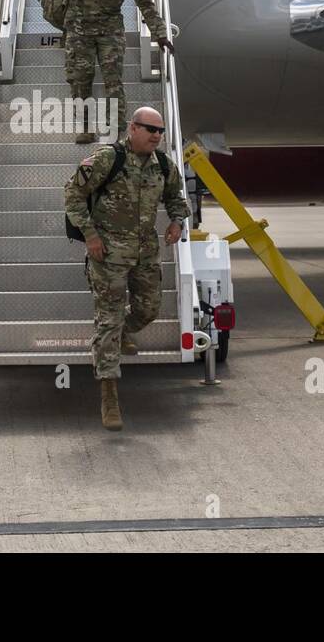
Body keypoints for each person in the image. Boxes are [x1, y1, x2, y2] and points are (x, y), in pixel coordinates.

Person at [64, 107, 190, 431]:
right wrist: (90, 235)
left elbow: (177, 197)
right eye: (150, 129)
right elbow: (73, 195)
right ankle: (109, 397)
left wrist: (176, 222)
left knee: (149, 310)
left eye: (160, 131)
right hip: (108, 254)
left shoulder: (163, 164)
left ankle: (123, 332)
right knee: (108, 320)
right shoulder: (108, 159)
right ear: (132, 127)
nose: (156, 136)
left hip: (146, 253)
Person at [55, 0, 174, 143]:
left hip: (110, 28)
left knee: (113, 81)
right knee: (81, 79)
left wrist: (159, 33)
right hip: (79, 27)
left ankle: (115, 130)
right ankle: (86, 128)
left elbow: (145, 2)